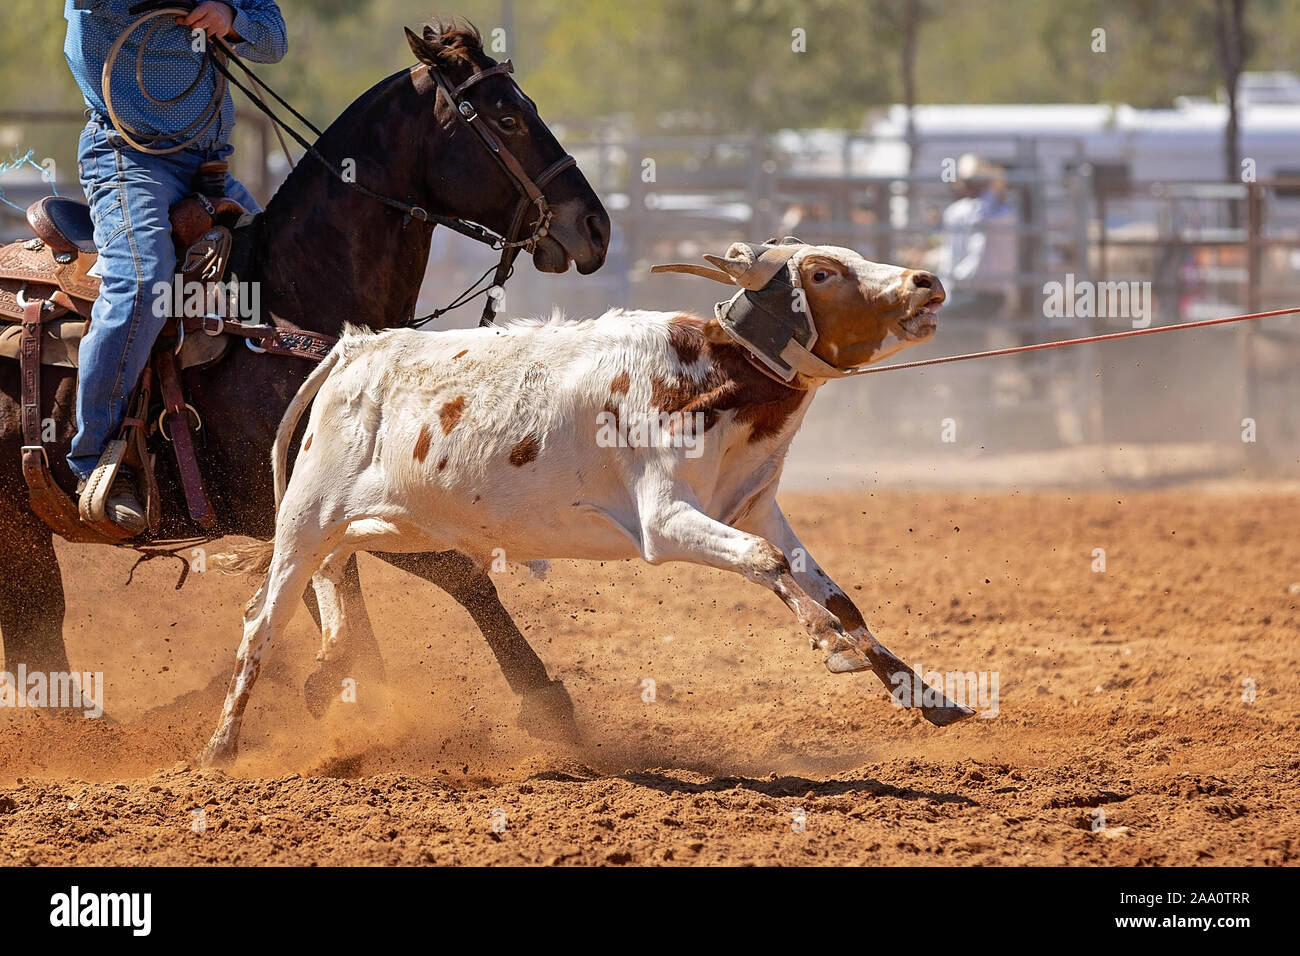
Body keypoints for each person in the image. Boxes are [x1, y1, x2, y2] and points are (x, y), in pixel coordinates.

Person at [64, 0, 286, 534]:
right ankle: (95, 461)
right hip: (128, 156)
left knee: (281, 275)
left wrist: (231, 17)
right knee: (141, 282)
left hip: (208, 164)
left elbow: (273, 39)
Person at [936, 153, 1016, 320]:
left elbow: (982, 219)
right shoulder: (957, 212)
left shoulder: (1000, 213)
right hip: (966, 289)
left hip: (986, 291)